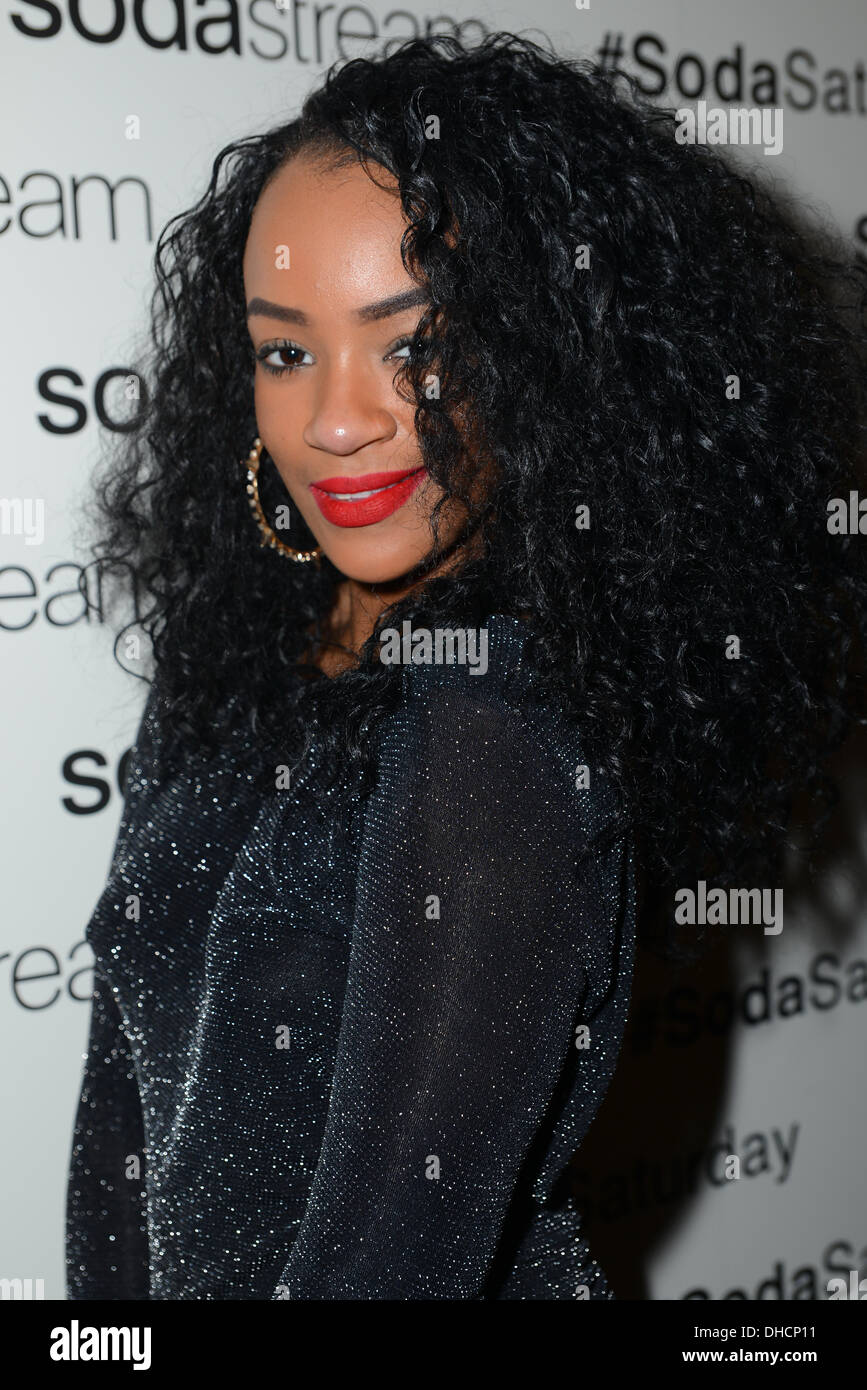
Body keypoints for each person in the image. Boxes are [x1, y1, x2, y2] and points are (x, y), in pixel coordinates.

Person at [66, 31, 867, 1300]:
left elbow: (387, 1272)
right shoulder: (233, 660)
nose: (337, 419)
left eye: (415, 343)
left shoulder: (493, 729)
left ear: (543, 364)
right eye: (287, 350)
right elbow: (116, 1127)